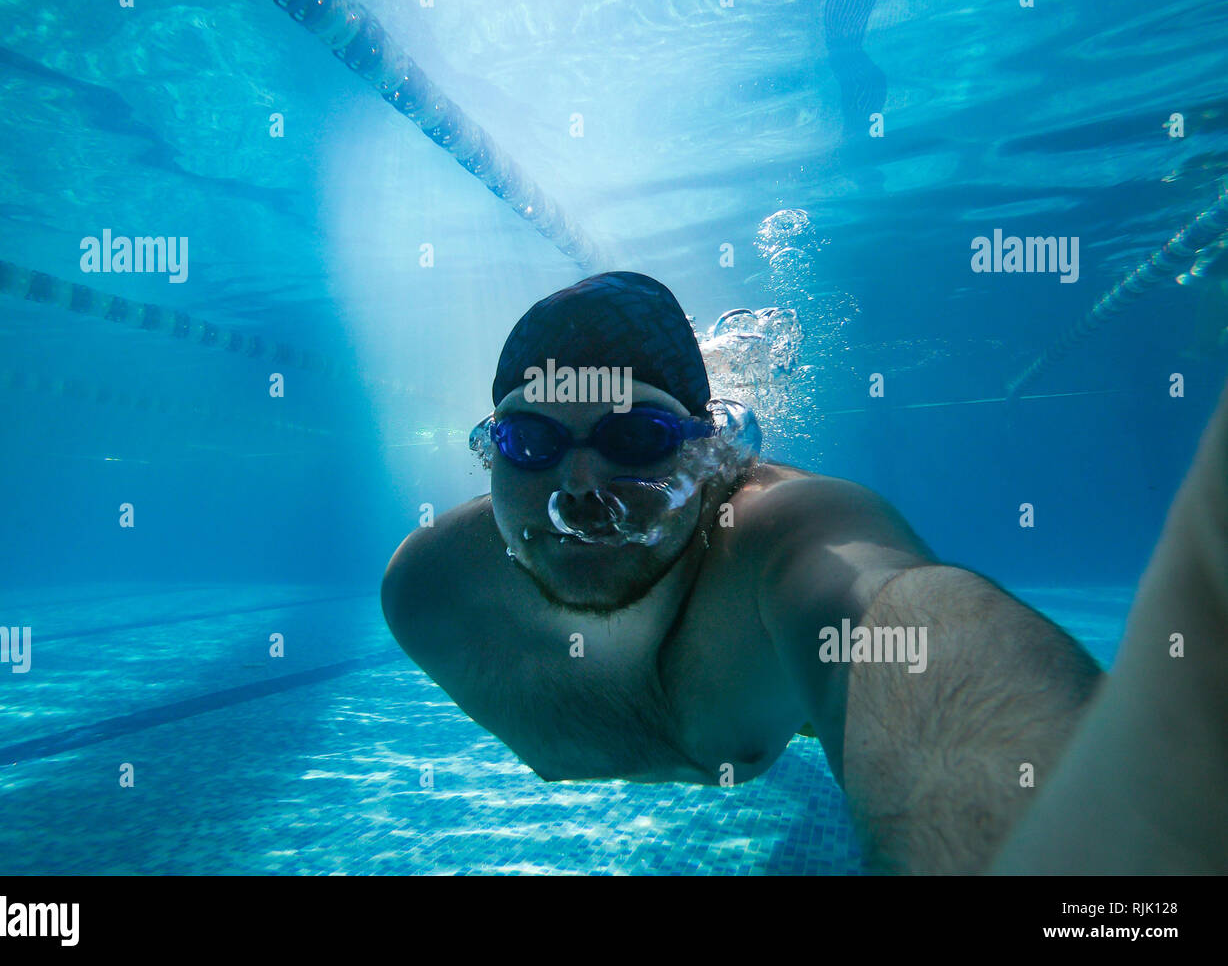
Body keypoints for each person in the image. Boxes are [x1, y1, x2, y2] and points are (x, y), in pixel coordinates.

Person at [381, 271, 1228, 875]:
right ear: (488, 453)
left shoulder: (785, 537)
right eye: (531, 441)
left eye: (635, 438)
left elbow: (887, 614)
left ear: (708, 451)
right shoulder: (429, 596)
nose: (579, 490)